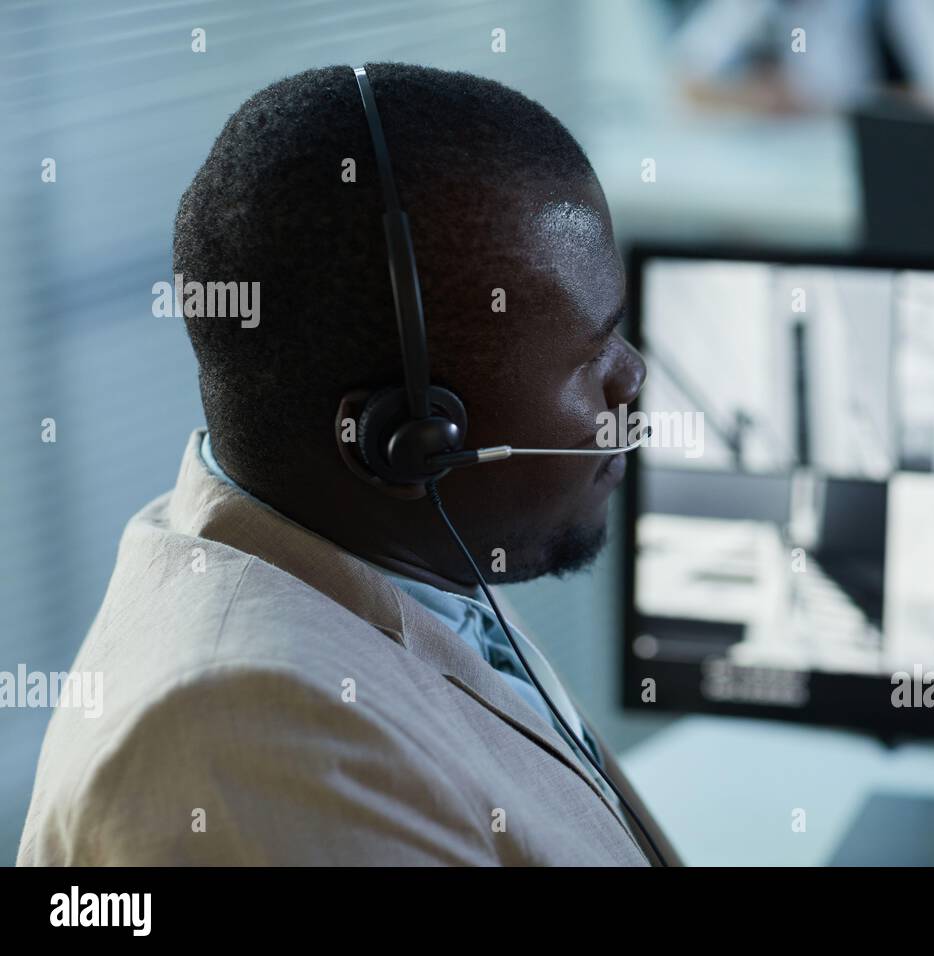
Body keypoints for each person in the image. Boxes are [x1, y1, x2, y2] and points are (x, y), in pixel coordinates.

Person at [18, 63, 680, 866]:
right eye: (592, 351)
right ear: (409, 439)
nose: (634, 376)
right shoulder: (250, 744)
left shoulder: (387, 566)